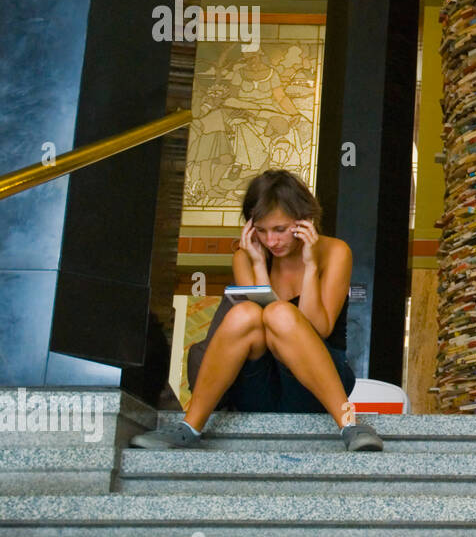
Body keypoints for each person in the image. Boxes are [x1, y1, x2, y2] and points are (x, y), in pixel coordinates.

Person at [133, 170, 383, 451]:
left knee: (280, 314)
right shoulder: (247, 256)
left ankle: (349, 424)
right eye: (261, 231)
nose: (271, 241)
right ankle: (189, 427)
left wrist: (311, 265)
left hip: (314, 386)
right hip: (258, 387)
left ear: (305, 222)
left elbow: (320, 327)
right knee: (245, 314)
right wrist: (258, 265)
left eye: (279, 229)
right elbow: (258, 320)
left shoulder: (335, 252)